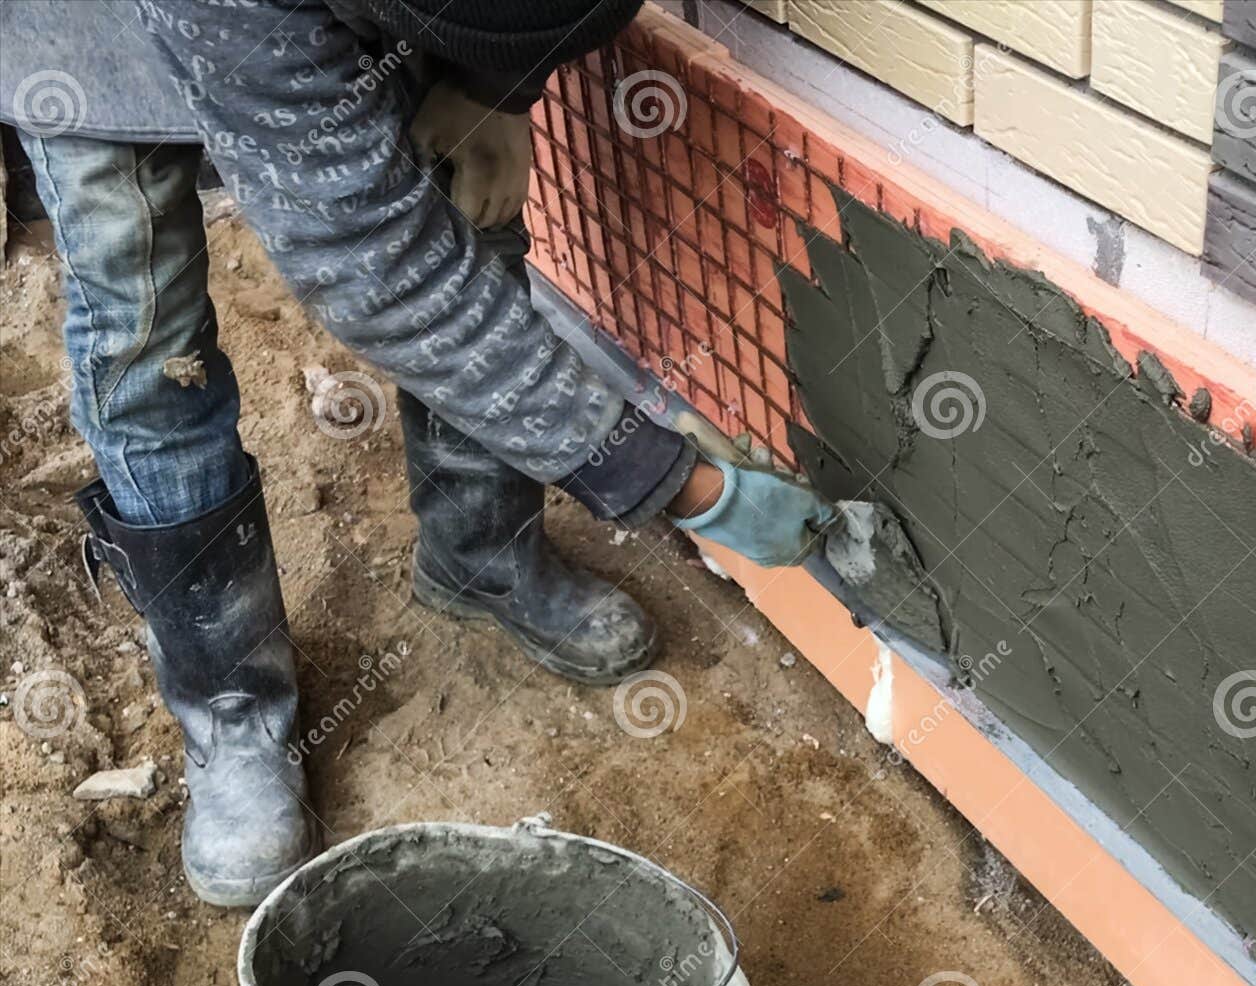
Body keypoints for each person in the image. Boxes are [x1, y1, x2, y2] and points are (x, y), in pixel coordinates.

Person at [0, 0, 835, 908]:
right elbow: (376, 263)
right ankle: (230, 704)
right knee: (147, 337)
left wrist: (495, 87)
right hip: (87, 34)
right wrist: (670, 480)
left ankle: (482, 556)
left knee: (465, 199)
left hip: (336, 24)